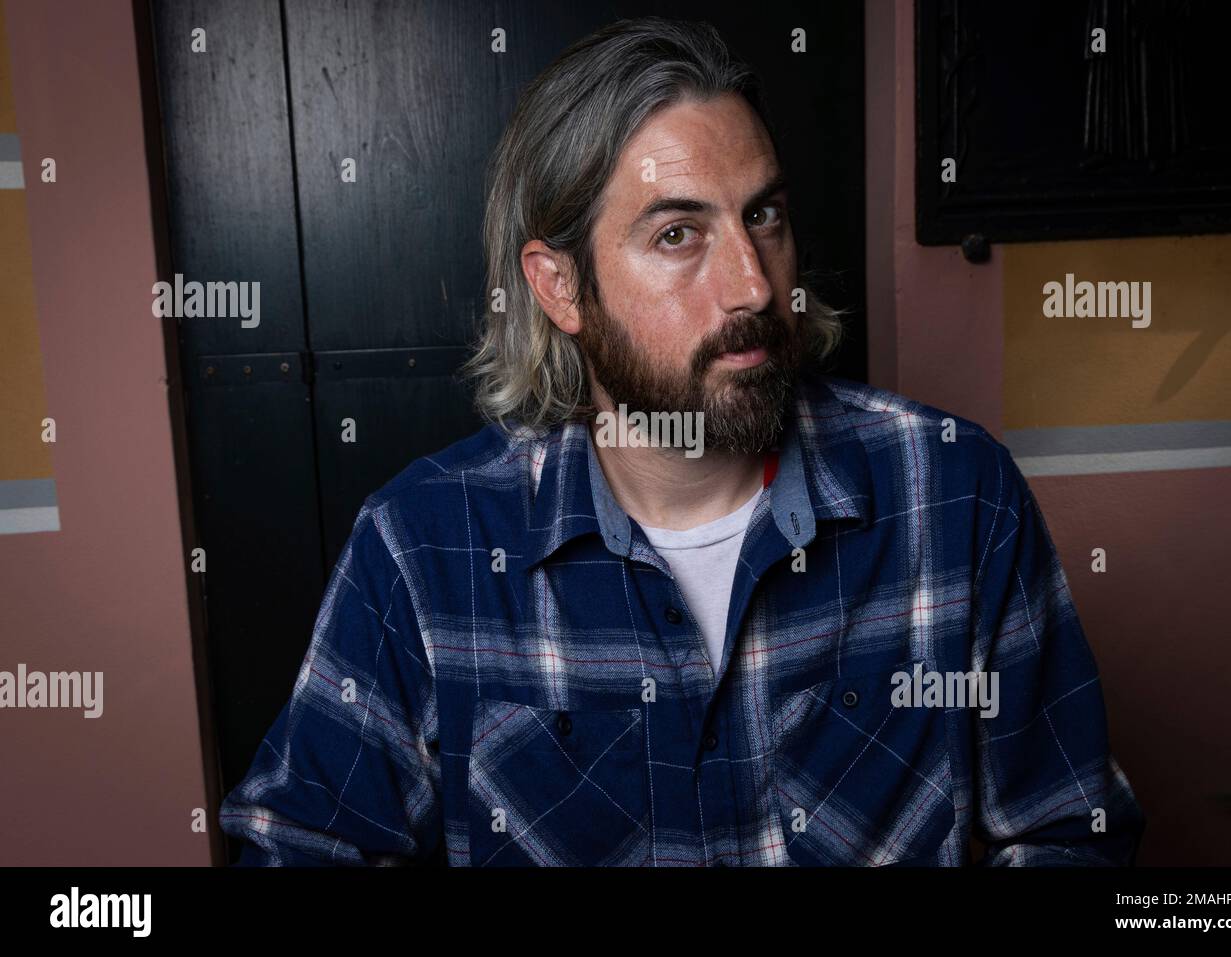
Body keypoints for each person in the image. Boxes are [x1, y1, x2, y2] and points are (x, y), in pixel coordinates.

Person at [219, 15, 1144, 866]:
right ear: (559, 287)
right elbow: (294, 845)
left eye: (764, 216)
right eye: (677, 234)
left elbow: (1071, 829)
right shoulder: (422, 551)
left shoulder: (952, 492)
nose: (751, 284)